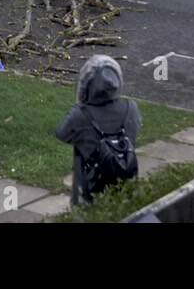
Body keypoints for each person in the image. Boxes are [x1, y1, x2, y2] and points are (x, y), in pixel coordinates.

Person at [55, 54, 142, 206]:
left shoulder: (80, 115)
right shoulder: (131, 109)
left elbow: (62, 133)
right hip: (126, 185)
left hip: (91, 190)